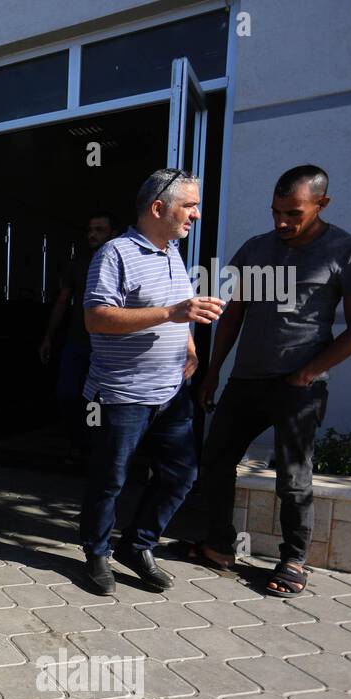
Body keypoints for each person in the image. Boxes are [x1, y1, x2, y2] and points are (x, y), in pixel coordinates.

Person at [195, 165, 351, 596]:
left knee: (292, 477)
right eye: (276, 211)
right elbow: (234, 314)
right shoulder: (256, 248)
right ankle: (219, 547)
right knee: (215, 461)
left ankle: (294, 559)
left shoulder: (349, 251)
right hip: (245, 380)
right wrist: (213, 371)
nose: (282, 222)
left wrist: (308, 373)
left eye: (293, 213)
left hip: (299, 386)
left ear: (322, 204)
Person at [79, 168, 224, 595]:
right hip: (121, 395)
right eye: (190, 205)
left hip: (170, 394)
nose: (196, 215)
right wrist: (171, 315)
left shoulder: (171, 251)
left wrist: (190, 344)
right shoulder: (114, 254)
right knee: (110, 479)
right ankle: (97, 554)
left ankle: (137, 546)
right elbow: (96, 318)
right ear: (158, 208)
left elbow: (181, 309)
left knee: (180, 475)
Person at [39, 212, 121, 462]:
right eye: (90, 229)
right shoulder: (80, 262)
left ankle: (94, 447)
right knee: (68, 393)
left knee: (99, 399)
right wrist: (48, 337)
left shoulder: (122, 262)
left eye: (100, 229)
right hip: (78, 341)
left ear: (113, 233)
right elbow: (63, 300)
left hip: (108, 345)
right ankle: (77, 442)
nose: (93, 234)